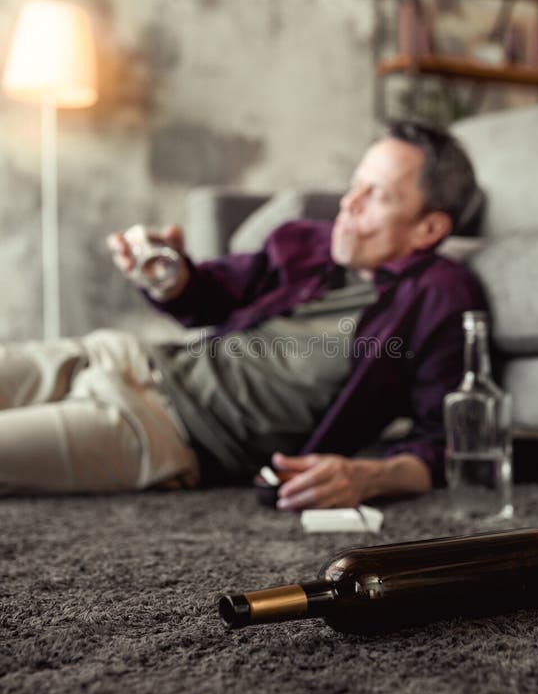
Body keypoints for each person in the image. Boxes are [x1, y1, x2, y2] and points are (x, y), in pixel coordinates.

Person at [0, 121, 486, 507]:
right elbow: (212, 294)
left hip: (165, 433)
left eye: (376, 195)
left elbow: (444, 439)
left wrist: (370, 476)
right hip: (129, 357)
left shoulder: (440, 296)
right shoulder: (306, 242)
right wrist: (171, 277)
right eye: (354, 185)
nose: (347, 203)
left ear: (428, 228)